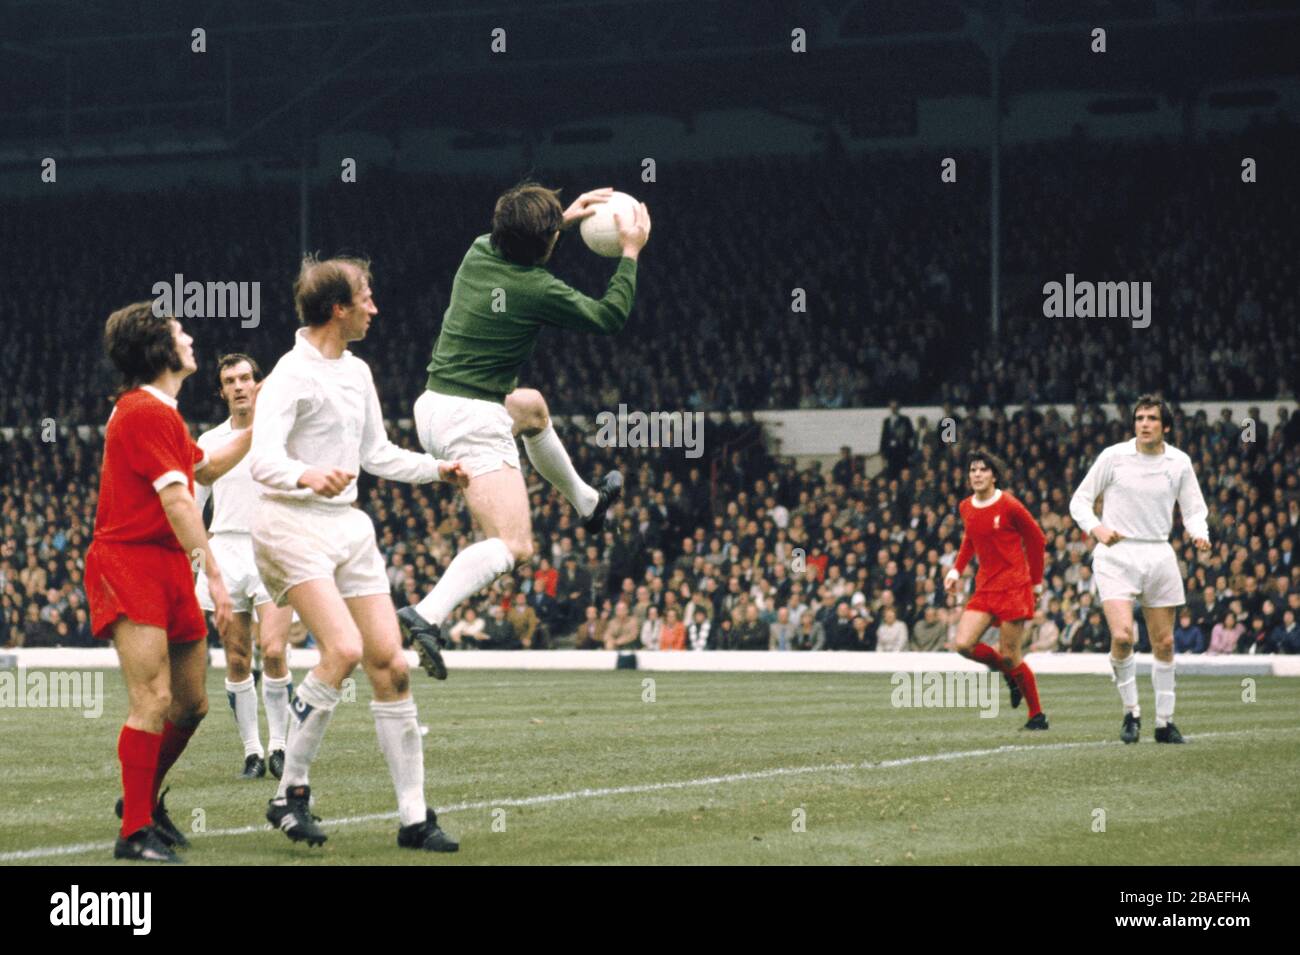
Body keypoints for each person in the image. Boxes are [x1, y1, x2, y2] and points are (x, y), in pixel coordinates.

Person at [249, 256, 468, 852]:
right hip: (288, 523)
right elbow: (262, 460)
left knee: (391, 666)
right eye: (366, 297)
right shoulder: (290, 375)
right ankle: (289, 792)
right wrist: (307, 475)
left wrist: (435, 469)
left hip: (346, 524)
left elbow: (377, 452)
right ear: (338, 308)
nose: (375, 307)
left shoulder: (358, 371)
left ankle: (414, 818)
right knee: (341, 649)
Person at [399, 183, 651, 673]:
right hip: (472, 419)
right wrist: (630, 252)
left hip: (432, 403)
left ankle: (588, 504)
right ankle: (425, 615)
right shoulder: (538, 289)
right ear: (545, 244)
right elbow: (610, 316)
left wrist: (563, 221)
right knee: (516, 546)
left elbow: (522, 239)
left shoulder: (477, 251)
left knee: (532, 407)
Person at [87, 302, 253, 862]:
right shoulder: (143, 411)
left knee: (190, 704)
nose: (189, 339)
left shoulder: (160, 412)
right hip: (131, 561)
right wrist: (216, 574)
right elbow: (180, 499)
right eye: (180, 333)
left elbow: (202, 468)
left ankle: (141, 802)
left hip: (164, 562)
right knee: (152, 699)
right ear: (159, 349)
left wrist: (258, 430)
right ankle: (134, 830)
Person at [1069, 395, 1211, 744]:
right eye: (1139, 418)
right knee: (1122, 636)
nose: (1144, 423)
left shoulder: (1179, 462)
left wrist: (1199, 533)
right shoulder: (1114, 456)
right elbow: (1079, 500)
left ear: (1166, 426)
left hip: (1159, 553)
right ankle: (1131, 713)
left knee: (1164, 643)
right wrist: (1097, 528)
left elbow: (1193, 509)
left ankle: (1165, 723)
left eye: (1151, 418)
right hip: (1116, 553)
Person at [193, 353, 296, 780]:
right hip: (226, 550)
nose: (238, 386)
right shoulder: (209, 442)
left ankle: (280, 746)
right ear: (221, 391)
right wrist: (193, 563)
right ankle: (252, 752)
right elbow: (193, 509)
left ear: (258, 384)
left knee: (274, 650)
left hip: (273, 548)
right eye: (230, 380)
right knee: (237, 659)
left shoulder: (282, 433)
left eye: (245, 378)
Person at [945, 449, 1049, 730]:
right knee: (963, 644)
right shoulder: (966, 507)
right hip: (986, 587)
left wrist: (1036, 582)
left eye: (983, 470)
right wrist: (956, 569)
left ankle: (1036, 715)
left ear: (994, 476)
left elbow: (1037, 540)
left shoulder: (1010, 505)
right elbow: (969, 539)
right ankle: (1008, 674)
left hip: (1015, 586)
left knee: (1009, 654)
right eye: (973, 470)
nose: (977, 475)